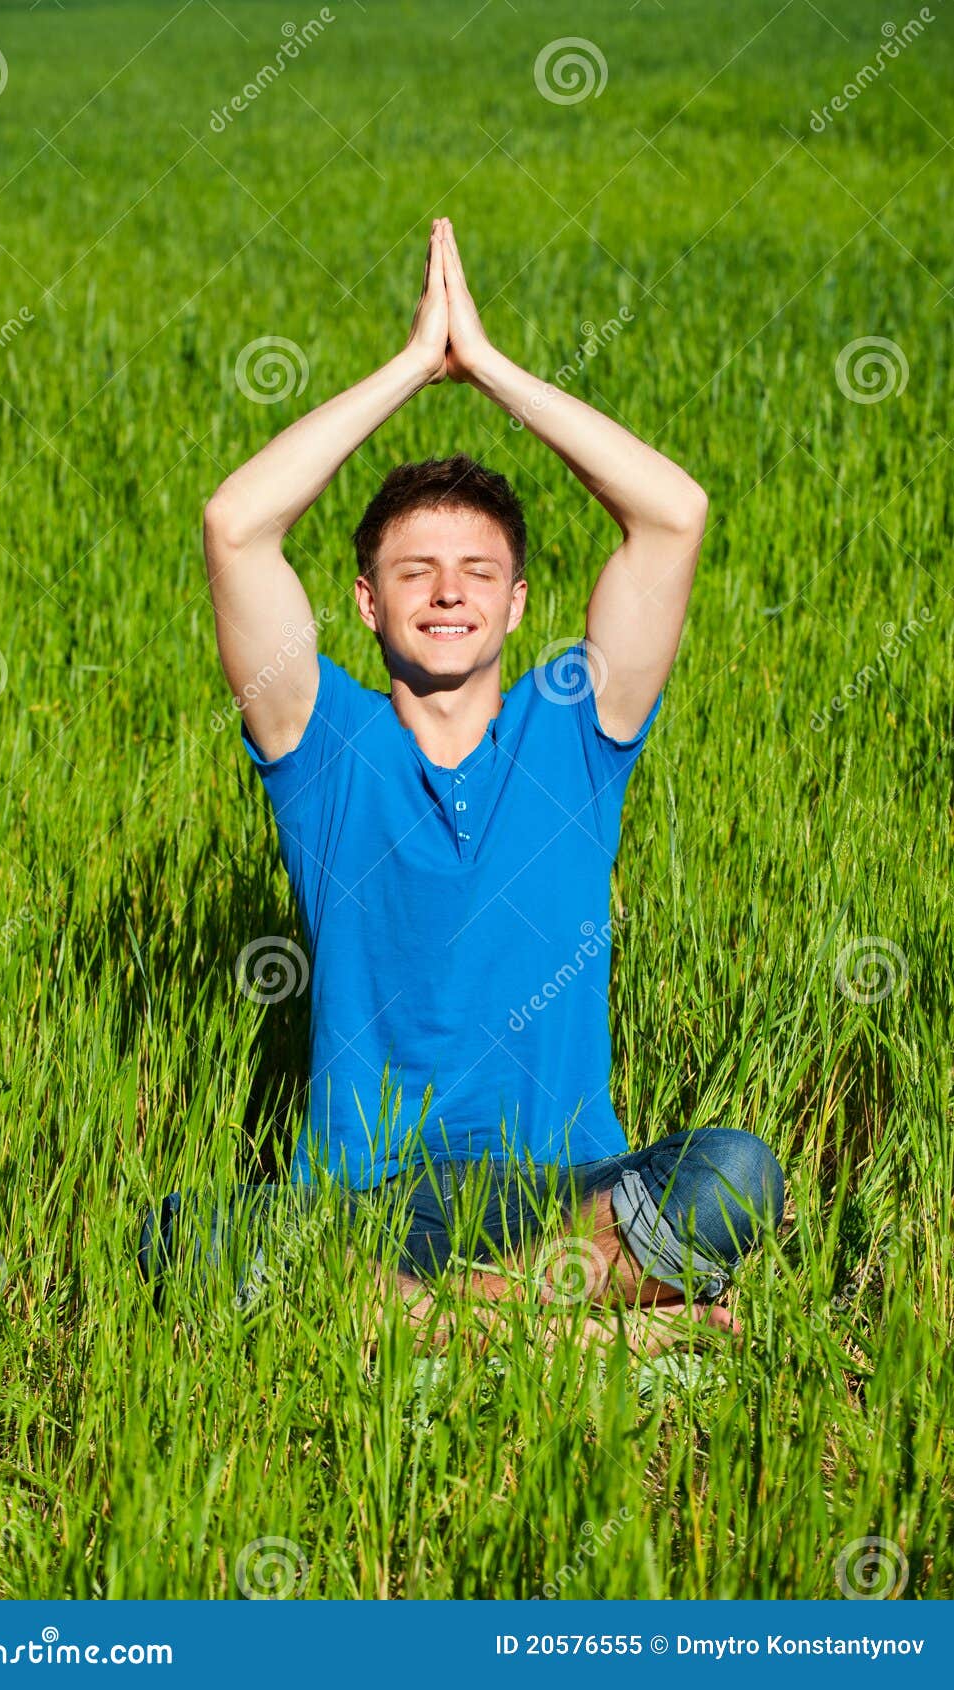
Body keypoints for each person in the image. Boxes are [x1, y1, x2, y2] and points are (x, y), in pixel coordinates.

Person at [140, 218, 784, 1357]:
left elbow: (672, 513)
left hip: (566, 1186)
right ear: (366, 603)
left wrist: (486, 368)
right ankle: (580, 1328)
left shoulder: (577, 727)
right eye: (414, 573)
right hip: (369, 1197)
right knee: (176, 1238)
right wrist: (407, 367)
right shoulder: (325, 745)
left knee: (734, 1173)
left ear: (521, 602)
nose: (448, 593)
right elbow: (236, 527)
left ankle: (436, 1325)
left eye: (478, 572)